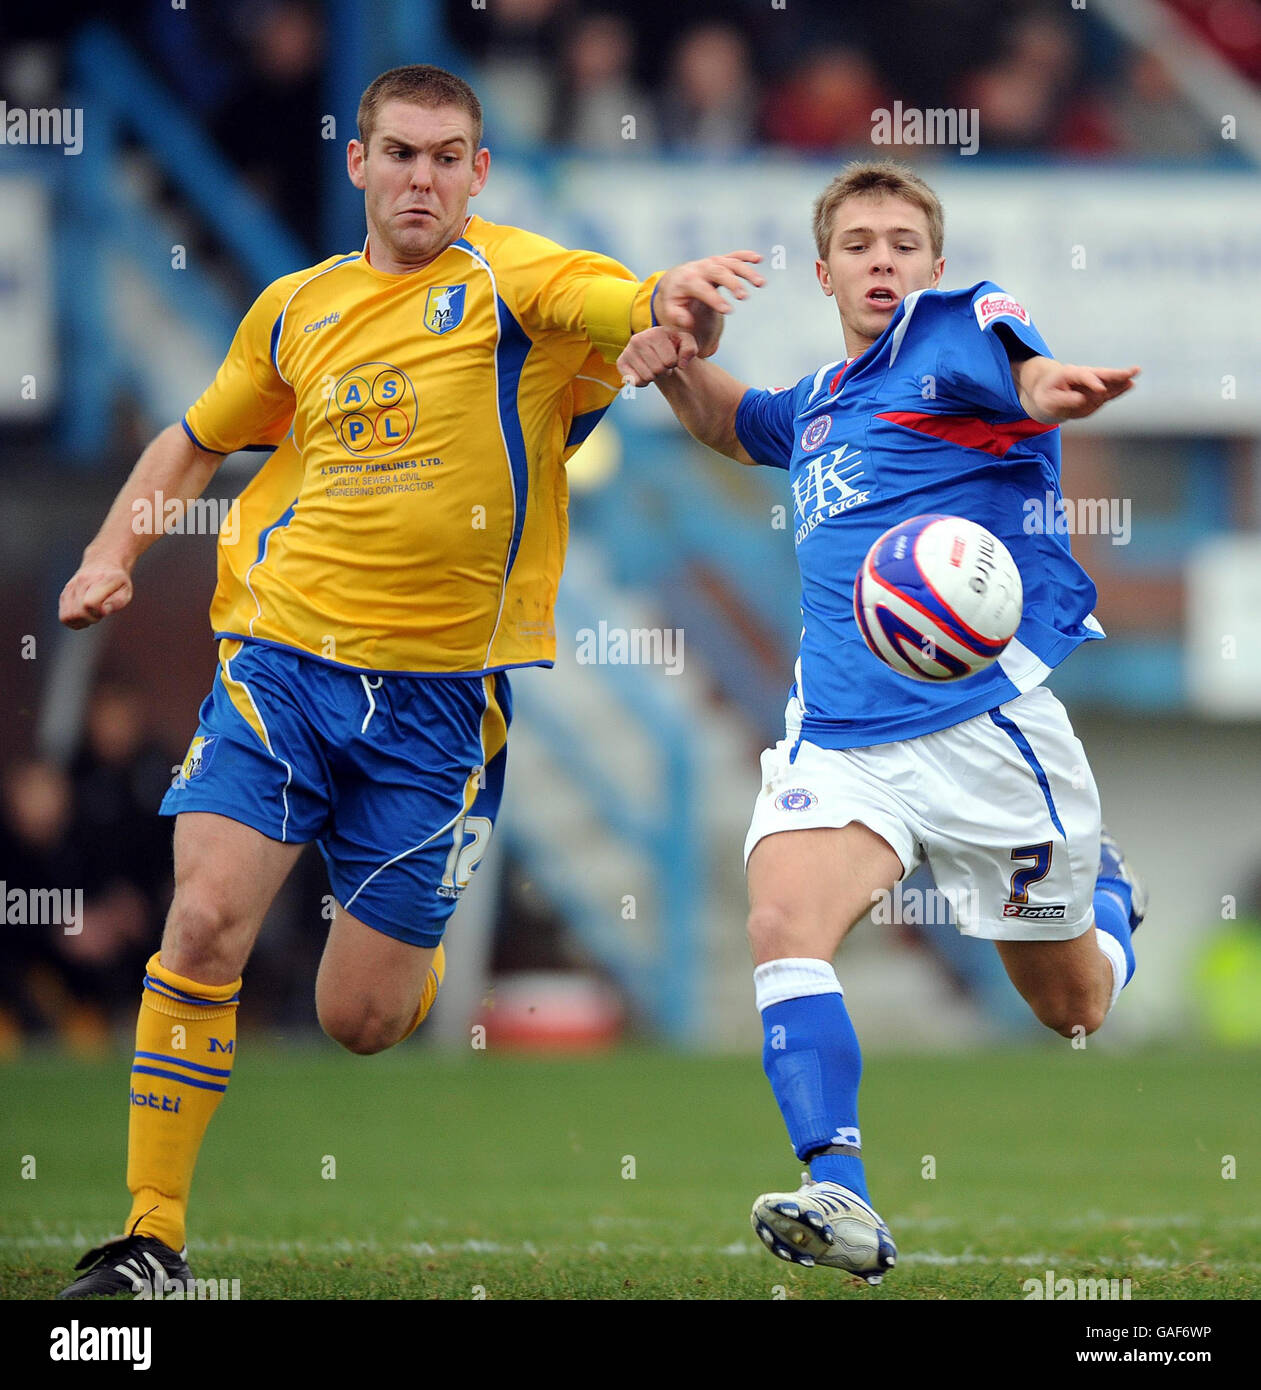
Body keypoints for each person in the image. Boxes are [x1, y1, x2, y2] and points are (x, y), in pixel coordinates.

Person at [54, 62, 763, 1299]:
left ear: (477, 173)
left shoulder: (517, 280)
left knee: (364, 1019)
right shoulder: (293, 309)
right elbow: (198, 435)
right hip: (281, 659)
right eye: (400, 153)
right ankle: (149, 1235)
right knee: (207, 916)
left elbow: (616, 300)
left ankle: (405, 926)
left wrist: (669, 301)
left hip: (440, 702)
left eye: (446, 157)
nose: (422, 177)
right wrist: (113, 551)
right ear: (358, 163)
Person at [616, 159, 1145, 1285]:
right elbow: (735, 425)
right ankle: (838, 1191)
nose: (884, 260)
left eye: (904, 243)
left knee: (1073, 1006)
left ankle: (1107, 900)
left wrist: (1047, 384)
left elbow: (1013, 360)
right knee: (780, 927)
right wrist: (679, 367)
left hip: (985, 734)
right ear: (823, 271)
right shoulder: (817, 404)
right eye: (859, 244)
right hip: (842, 743)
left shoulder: (953, 337)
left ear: (934, 266)